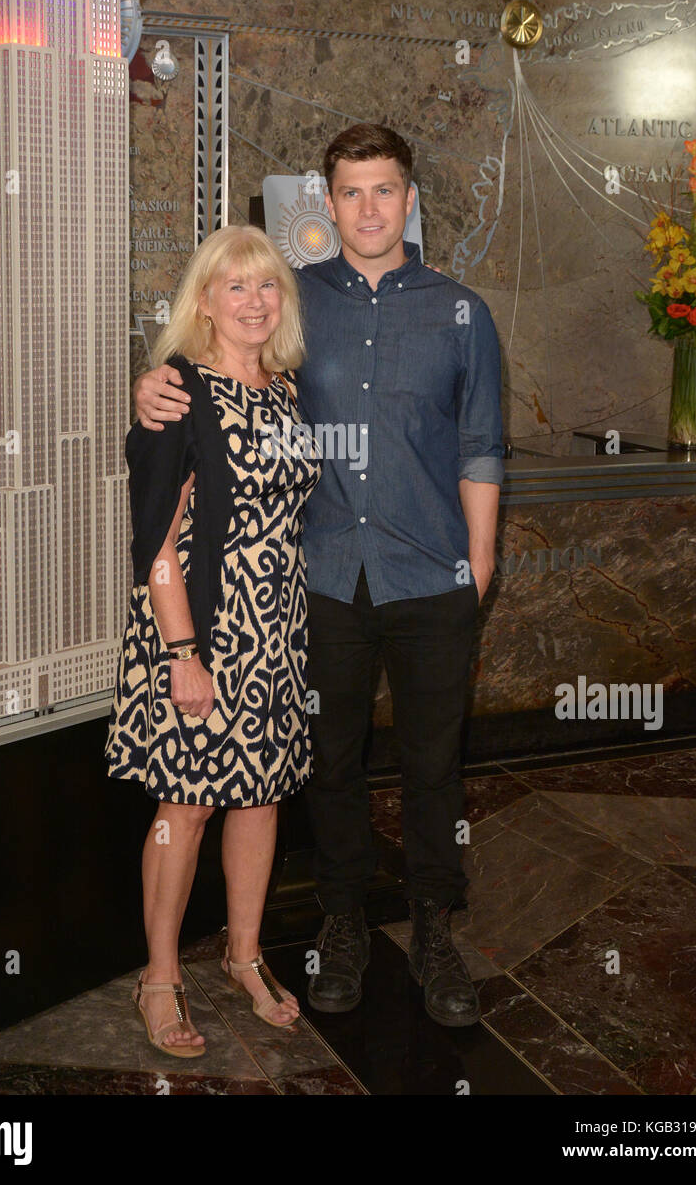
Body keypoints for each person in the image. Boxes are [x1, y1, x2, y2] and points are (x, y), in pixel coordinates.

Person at [132, 124, 504, 1028]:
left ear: (411, 201)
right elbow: (202, 374)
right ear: (326, 203)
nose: (369, 208)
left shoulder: (462, 312)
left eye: (386, 191)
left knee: (431, 769)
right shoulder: (296, 304)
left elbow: (483, 448)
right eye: (351, 192)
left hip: (428, 579)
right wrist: (149, 387)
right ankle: (339, 923)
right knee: (326, 767)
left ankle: (431, 928)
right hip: (320, 587)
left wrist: (480, 569)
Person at [106, 224, 321, 1056]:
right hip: (199, 631)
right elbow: (155, 538)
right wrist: (181, 654)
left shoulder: (288, 393)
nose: (255, 301)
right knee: (185, 808)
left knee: (261, 796)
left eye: (268, 286)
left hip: (277, 632)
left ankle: (242, 957)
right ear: (204, 302)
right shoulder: (177, 393)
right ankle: (159, 977)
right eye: (236, 287)